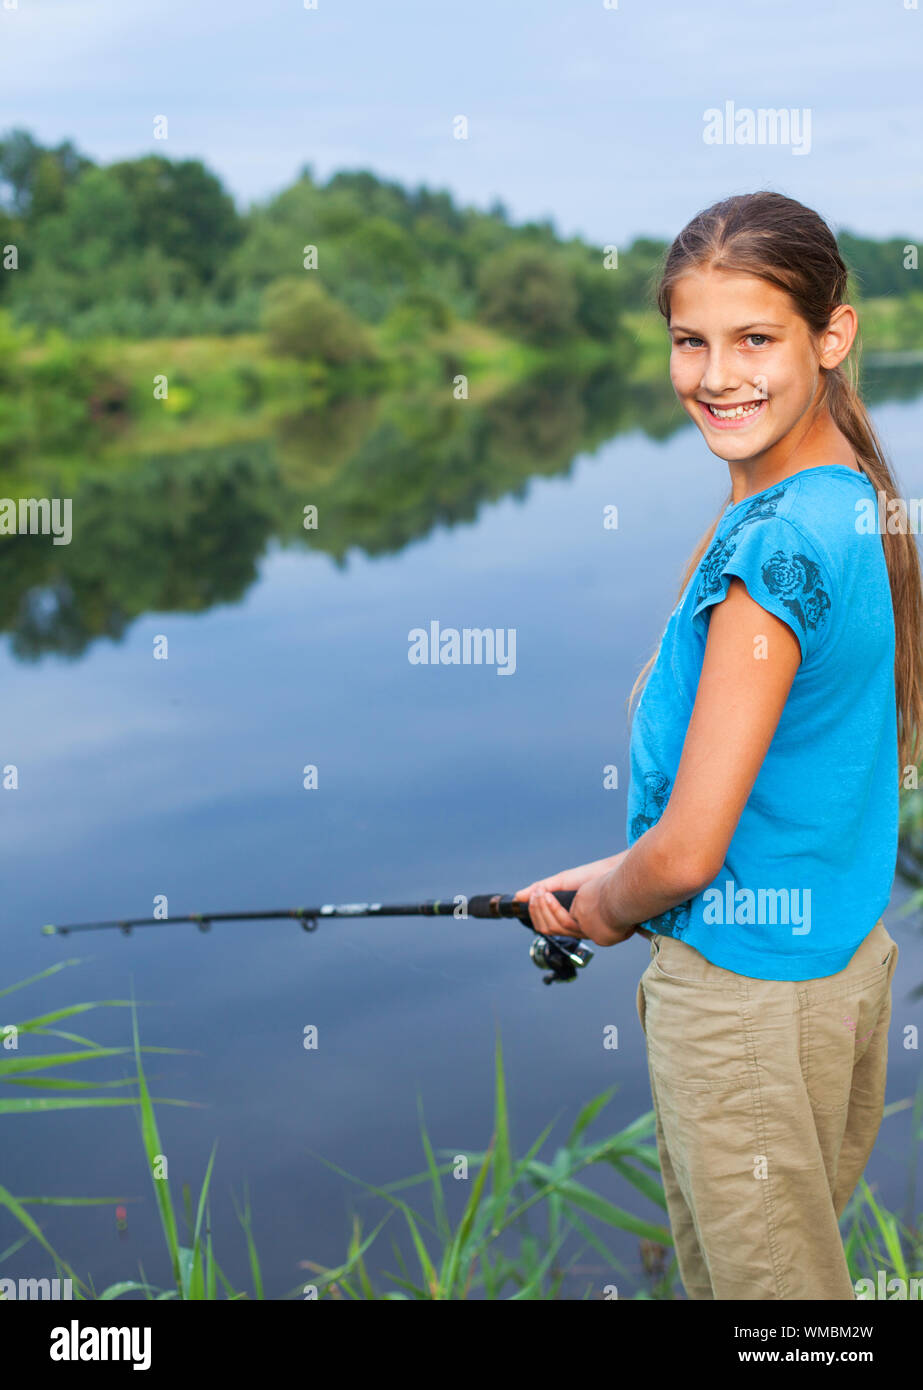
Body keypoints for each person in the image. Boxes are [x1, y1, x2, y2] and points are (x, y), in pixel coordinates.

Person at [515, 191, 922, 1300]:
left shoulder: (770, 554)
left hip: (745, 1008)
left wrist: (605, 908)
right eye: (688, 340)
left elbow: (690, 852)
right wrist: (613, 873)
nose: (714, 374)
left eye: (755, 339)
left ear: (830, 336)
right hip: (833, 970)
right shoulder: (845, 500)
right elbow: (777, 796)